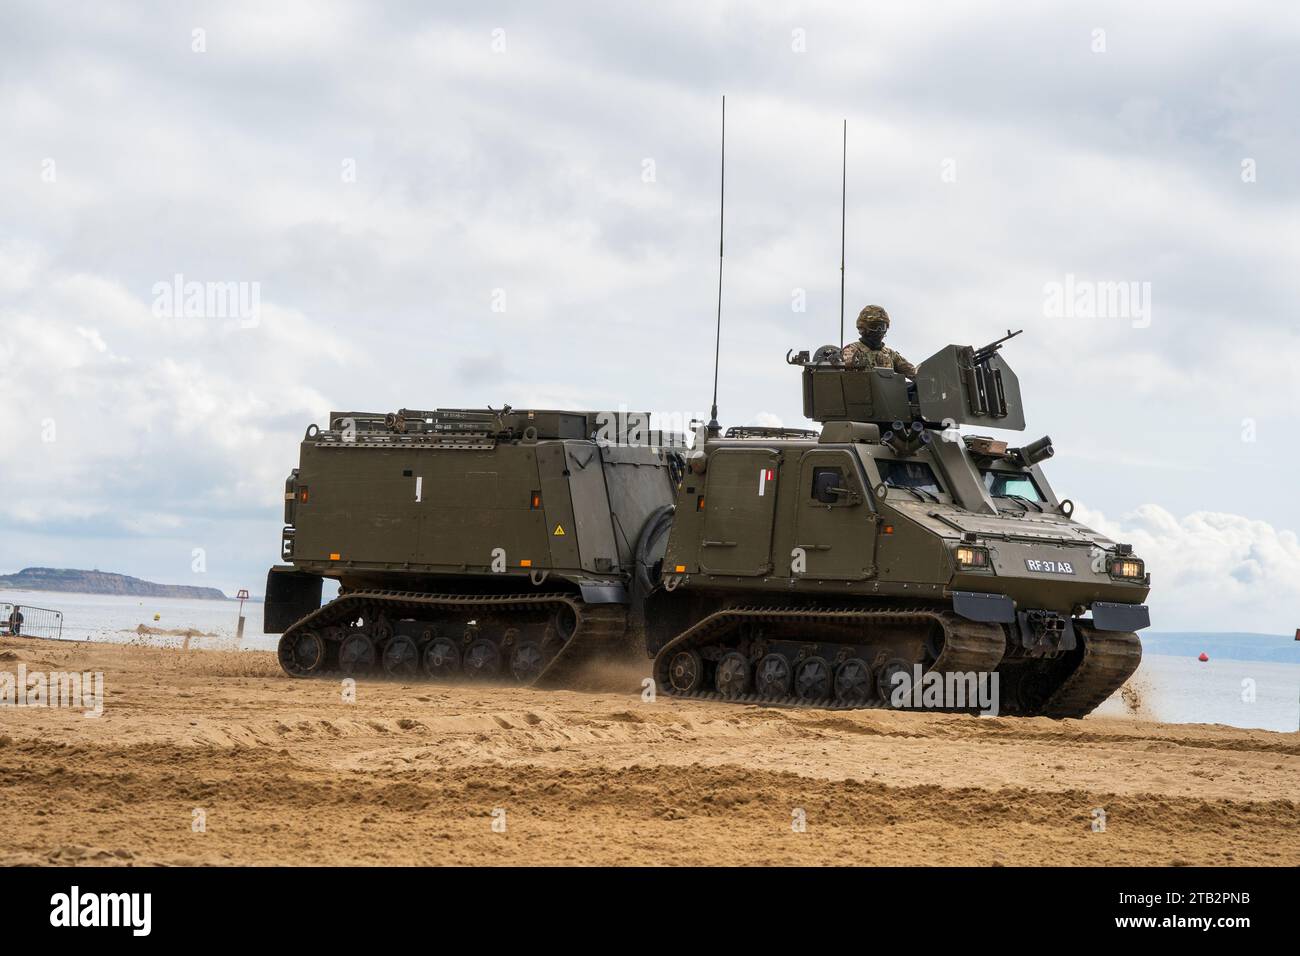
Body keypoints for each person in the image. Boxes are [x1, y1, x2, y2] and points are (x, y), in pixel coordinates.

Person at [841, 305, 917, 376]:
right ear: (863, 328)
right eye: (874, 326)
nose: (879, 331)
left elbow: (915, 374)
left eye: (882, 327)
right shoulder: (852, 350)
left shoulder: (890, 354)